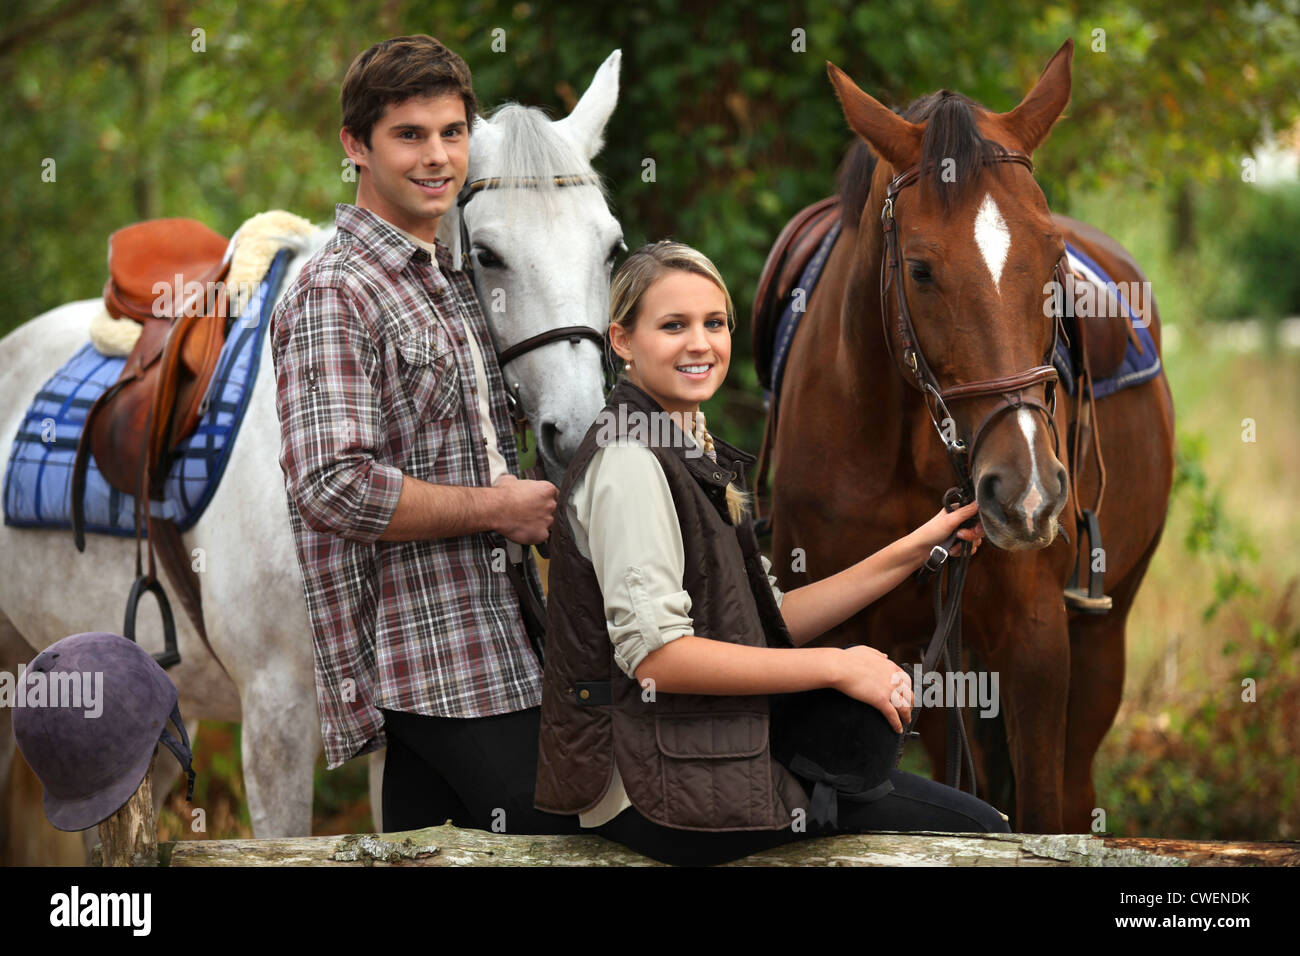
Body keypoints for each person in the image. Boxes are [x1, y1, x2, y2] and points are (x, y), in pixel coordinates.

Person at [535, 240, 1010, 865]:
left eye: (714, 323)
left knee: (962, 818)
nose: (700, 343)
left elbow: (767, 616)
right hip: (652, 784)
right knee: (977, 834)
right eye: (672, 325)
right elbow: (659, 658)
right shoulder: (630, 461)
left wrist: (920, 542)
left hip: (703, 755)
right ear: (622, 340)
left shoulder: (683, 443)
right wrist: (838, 667)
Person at [271, 34, 578, 836]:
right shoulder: (336, 290)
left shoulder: (447, 279)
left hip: (503, 642)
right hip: (434, 665)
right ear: (355, 146)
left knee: (429, 856)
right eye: (410, 135)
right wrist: (495, 509)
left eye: (452, 132)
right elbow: (332, 484)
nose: (438, 156)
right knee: (582, 840)